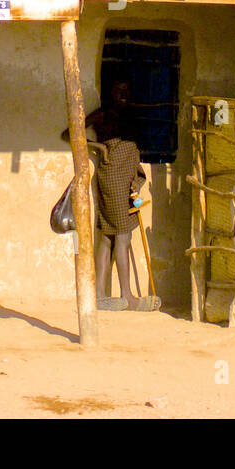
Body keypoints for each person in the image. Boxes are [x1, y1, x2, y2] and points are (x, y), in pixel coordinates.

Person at [62, 78, 160, 312]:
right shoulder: (103, 114)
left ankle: (100, 296)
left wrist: (135, 181)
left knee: (107, 237)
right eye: (119, 91)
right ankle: (128, 297)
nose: (123, 95)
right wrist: (98, 147)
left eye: (126, 91)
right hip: (112, 178)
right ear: (110, 93)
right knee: (122, 237)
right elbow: (69, 133)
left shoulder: (131, 115)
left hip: (127, 176)